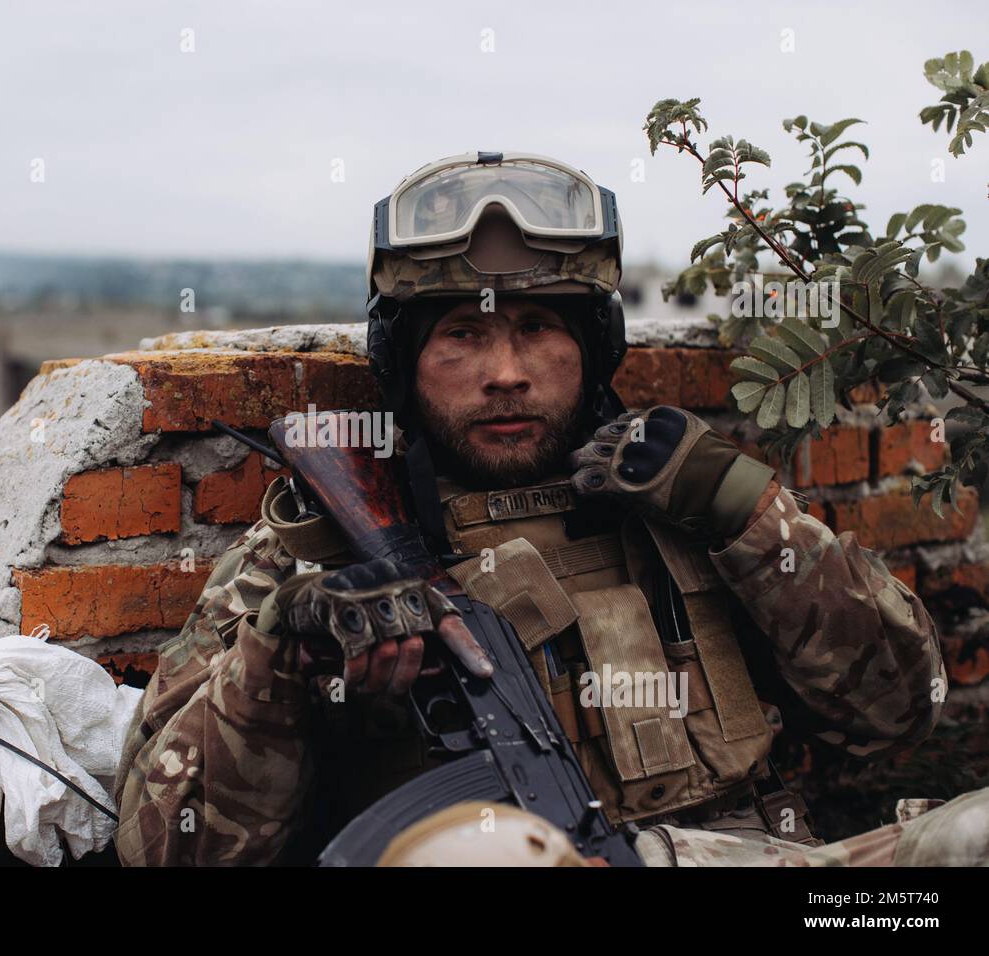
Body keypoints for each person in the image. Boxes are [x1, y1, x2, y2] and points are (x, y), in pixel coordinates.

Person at [112, 152, 975, 867]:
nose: (506, 372)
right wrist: (283, 658)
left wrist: (745, 512)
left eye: (536, 328)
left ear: (593, 346)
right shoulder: (315, 550)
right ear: (402, 363)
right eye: (462, 336)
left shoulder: (682, 494)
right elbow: (163, 850)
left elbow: (899, 716)